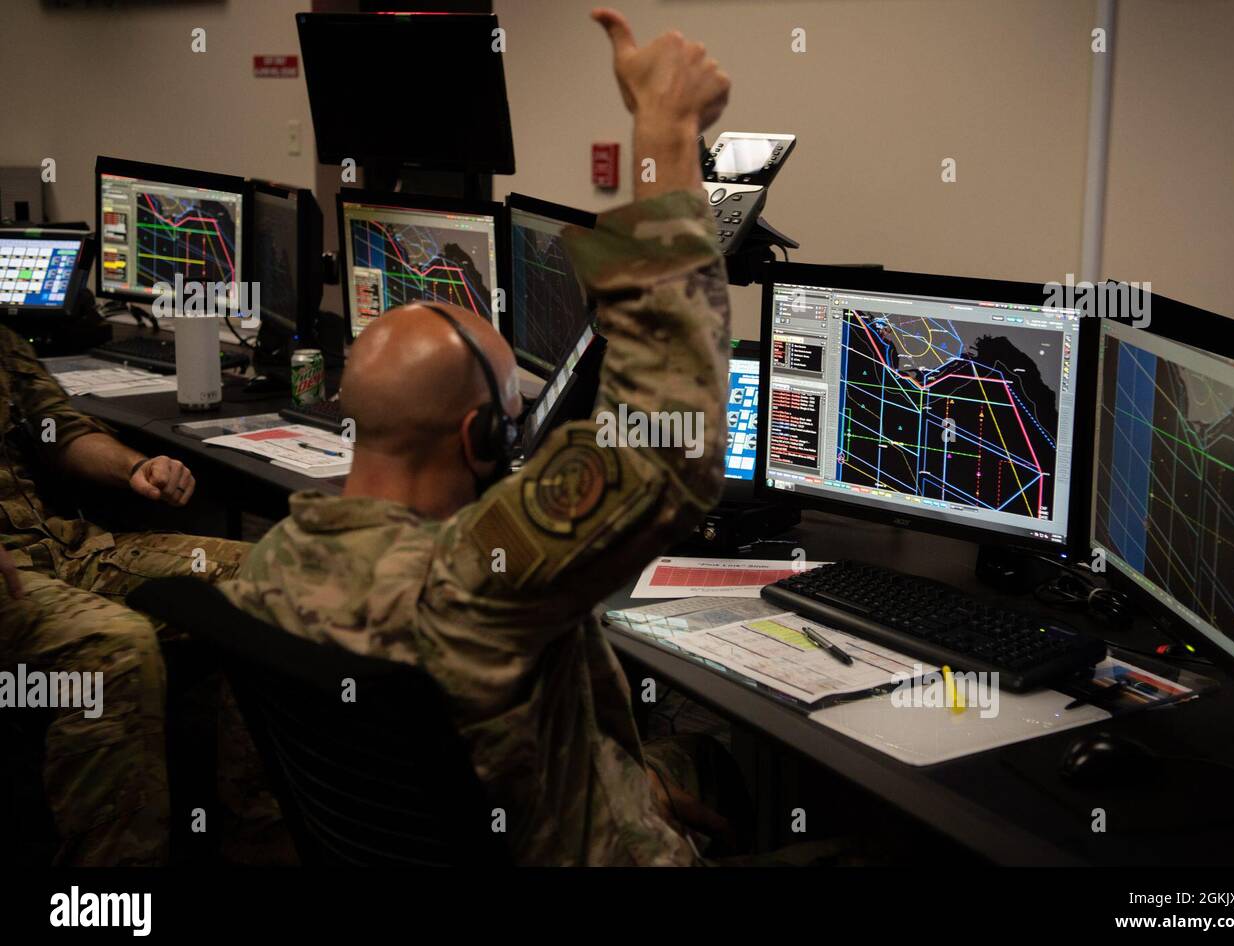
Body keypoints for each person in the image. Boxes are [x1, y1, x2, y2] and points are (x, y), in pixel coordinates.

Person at [220, 7, 735, 864]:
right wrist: (664, 136)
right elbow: (660, 455)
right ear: (483, 439)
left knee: (689, 765)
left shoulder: (269, 566)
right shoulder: (472, 578)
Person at [0, 322, 248, 865]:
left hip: (62, 548)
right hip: (9, 583)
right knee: (116, 649)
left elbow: (59, 430)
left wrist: (135, 467)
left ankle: (258, 845)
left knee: (265, 579)